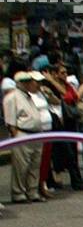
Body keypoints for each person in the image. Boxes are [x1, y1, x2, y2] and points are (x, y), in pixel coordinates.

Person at [3, 68, 53, 204]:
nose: (28, 84)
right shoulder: (12, 97)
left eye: (28, 81)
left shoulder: (29, 96)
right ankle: (18, 192)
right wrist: (16, 136)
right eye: (24, 81)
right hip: (22, 133)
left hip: (36, 133)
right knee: (21, 166)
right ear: (18, 83)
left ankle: (32, 191)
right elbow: (10, 121)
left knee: (34, 165)